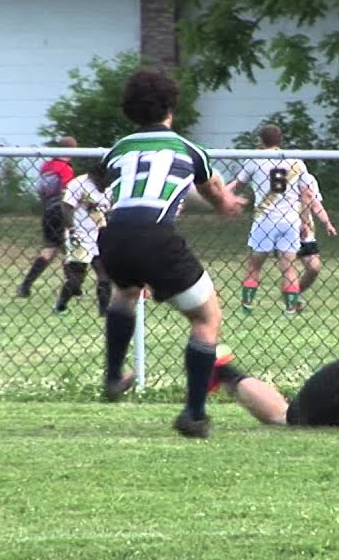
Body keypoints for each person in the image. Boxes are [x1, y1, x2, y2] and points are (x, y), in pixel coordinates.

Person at [97, 69, 246, 438]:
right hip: (156, 239)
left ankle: (114, 375)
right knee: (206, 318)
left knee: (125, 292)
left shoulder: (119, 149)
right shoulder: (188, 149)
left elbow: (113, 184)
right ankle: (194, 415)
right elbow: (212, 193)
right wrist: (226, 203)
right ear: (171, 106)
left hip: (113, 236)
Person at [229, 125, 310, 314]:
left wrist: (227, 195)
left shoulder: (255, 160)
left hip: (265, 219)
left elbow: (239, 184)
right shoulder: (295, 161)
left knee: (254, 265)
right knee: (289, 266)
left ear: (261, 140)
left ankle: (247, 306)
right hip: (290, 218)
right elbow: (306, 193)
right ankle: (290, 307)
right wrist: (304, 221)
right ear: (280, 139)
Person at [19, 136, 77, 298]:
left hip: (48, 209)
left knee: (52, 248)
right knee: (66, 249)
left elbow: (41, 190)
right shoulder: (65, 168)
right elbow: (67, 192)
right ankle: (73, 286)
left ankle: (26, 284)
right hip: (61, 209)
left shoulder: (47, 166)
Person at [53, 163, 112, 315]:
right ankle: (60, 306)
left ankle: (104, 312)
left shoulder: (110, 188)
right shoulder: (78, 184)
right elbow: (67, 207)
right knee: (76, 279)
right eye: (104, 180)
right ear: (95, 176)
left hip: (100, 235)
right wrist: (72, 230)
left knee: (105, 275)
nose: (106, 184)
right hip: (80, 234)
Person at [294, 170, 337, 309]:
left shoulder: (308, 178)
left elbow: (315, 204)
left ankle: (294, 294)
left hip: (306, 231)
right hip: (286, 228)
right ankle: (292, 301)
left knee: (314, 268)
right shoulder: (280, 177)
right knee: (288, 267)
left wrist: (327, 223)